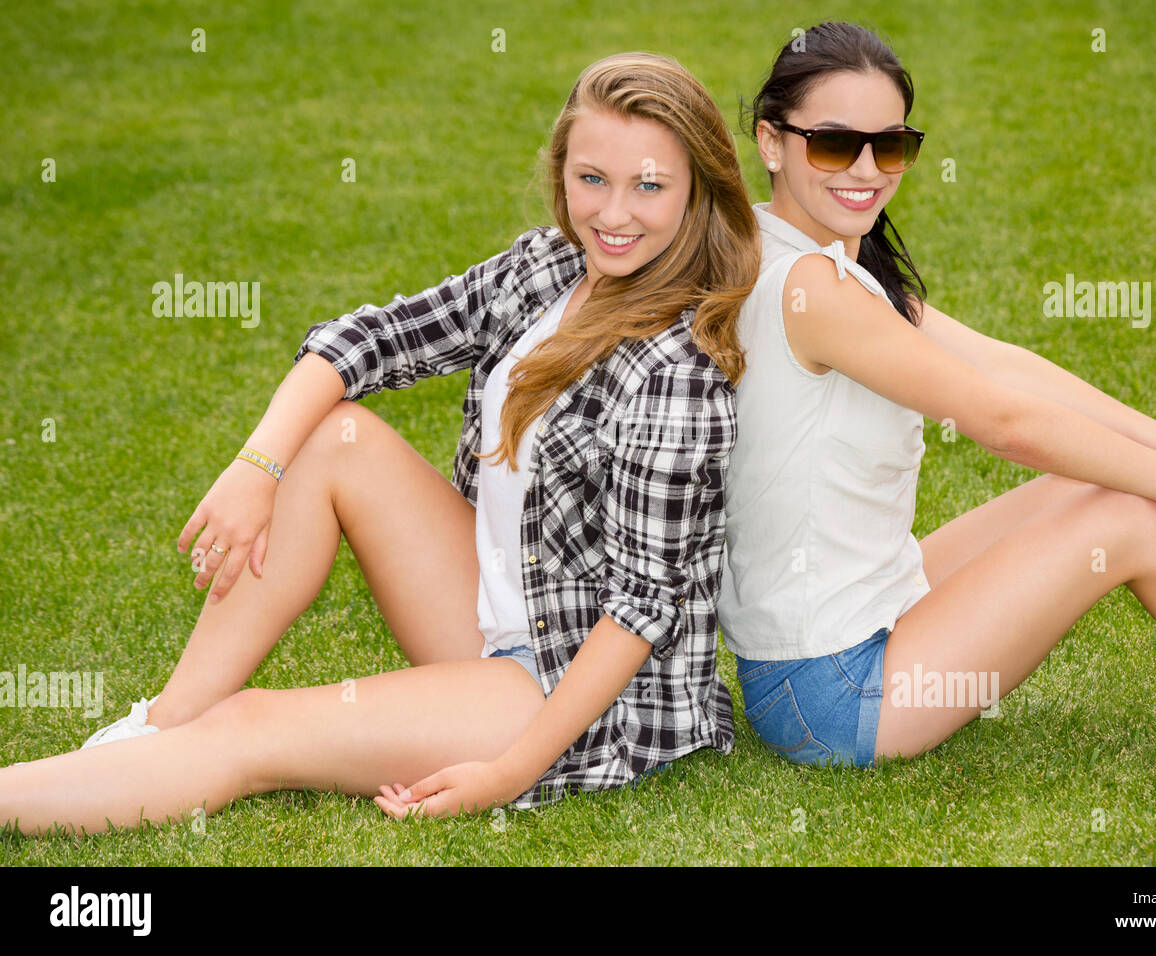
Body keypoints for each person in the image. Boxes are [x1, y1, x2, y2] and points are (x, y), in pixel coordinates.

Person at [0, 51, 760, 836]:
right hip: (500, 608)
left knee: (253, 728)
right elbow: (373, 338)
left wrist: (508, 772)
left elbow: (638, 611)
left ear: (697, 190)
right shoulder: (550, 268)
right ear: (562, 170)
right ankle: (163, 723)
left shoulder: (679, 374)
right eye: (591, 178)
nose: (613, 213)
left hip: (579, 687)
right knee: (337, 434)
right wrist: (253, 467)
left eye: (650, 186)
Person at [718, 21, 1156, 771]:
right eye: (834, 143)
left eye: (889, 145)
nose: (866, 168)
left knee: (1106, 484)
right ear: (772, 142)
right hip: (833, 692)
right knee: (1130, 515)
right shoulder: (810, 288)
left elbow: (1004, 368)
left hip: (866, 612)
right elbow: (1000, 420)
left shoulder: (795, 251)